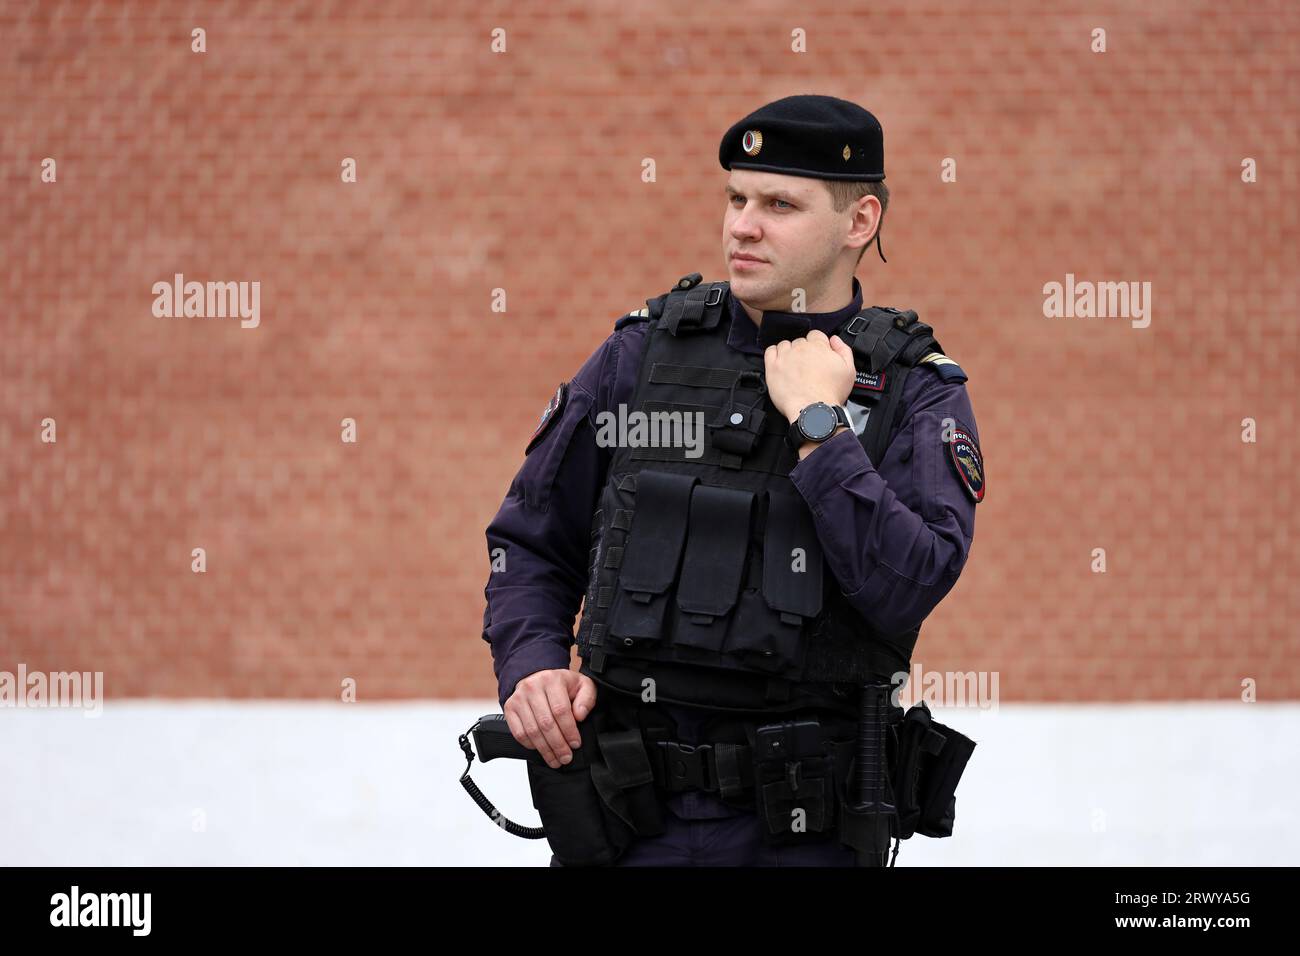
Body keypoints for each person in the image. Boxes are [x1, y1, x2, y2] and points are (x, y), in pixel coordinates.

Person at [481, 94, 984, 866]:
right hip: (624, 814)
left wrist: (821, 426)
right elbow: (529, 542)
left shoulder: (913, 389)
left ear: (860, 223)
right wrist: (533, 665)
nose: (743, 225)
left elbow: (907, 584)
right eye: (736, 198)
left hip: (802, 830)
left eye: (780, 204)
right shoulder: (641, 356)